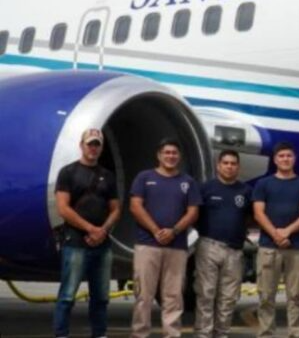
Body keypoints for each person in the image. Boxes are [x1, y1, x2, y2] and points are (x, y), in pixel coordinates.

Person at [129, 138, 202, 338]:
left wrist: (174, 231)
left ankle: (171, 334)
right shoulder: (144, 177)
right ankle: (139, 334)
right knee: (143, 294)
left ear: (179, 156)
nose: (171, 156)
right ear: (159, 155)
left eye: (174, 153)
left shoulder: (188, 182)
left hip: (177, 246)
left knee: (173, 296)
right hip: (147, 245)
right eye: (167, 152)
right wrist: (155, 230)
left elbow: (193, 212)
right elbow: (135, 206)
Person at [53, 128, 120, 338]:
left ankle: (99, 334)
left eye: (97, 144)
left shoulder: (108, 176)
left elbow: (116, 209)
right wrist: (91, 229)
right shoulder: (68, 172)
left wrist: (103, 231)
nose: (93, 148)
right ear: (81, 146)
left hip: (102, 244)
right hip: (75, 242)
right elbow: (63, 208)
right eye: (90, 144)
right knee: (67, 295)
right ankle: (61, 334)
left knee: (101, 297)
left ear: (101, 148)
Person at [253, 142, 299, 338]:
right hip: (268, 247)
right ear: (275, 159)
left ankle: (295, 334)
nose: (285, 159)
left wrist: (287, 232)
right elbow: (258, 213)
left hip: (296, 248)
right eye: (281, 156)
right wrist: (275, 234)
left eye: (289, 155)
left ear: (294, 159)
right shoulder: (264, 184)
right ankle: (266, 334)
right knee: (265, 296)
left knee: (296, 296)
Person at [193, 150, 252, 338]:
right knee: (206, 294)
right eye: (225, 163)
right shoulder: (206, 189)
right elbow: (194, 215)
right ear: (218, 166)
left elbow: (251, 217)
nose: (229, 167)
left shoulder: (245, 191)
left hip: (235, 250)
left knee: (229, 297)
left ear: (238, 167)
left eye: (233, 163)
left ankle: (222, 333)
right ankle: (203, 334)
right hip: (209, 246)